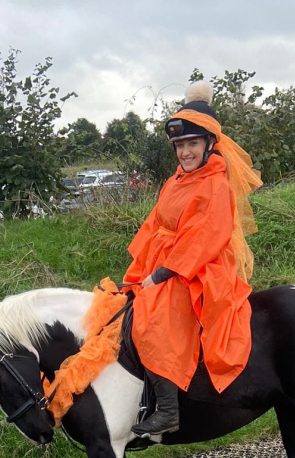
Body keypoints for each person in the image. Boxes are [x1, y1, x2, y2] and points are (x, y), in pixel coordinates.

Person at [124, 83, 262, 435]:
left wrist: (165, 272)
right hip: (165, 257)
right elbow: (156, 220)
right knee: (125, 300)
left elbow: (207, 236)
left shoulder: (215, 183)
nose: (185, 152)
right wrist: (144, 263)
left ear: (208, 145)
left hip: (201, 267)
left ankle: (169, 410)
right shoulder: (177, 179)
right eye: (180, 145)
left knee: (154, 317)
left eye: (192, 144)